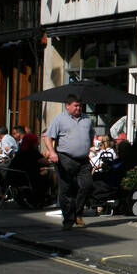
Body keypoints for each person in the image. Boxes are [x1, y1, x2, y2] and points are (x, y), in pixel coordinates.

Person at [41, 94, 95, 230]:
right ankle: (69, 220)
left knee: (87, 185)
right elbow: (47, 137)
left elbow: (91, 135)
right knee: (66, 189)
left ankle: (78, 213)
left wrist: (90, 146)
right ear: (67, 106)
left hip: (83, 159)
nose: (78, 108)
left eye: (80, 105)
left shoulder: (87, 119)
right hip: (65, 158)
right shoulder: (60, 119)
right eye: (76, 106)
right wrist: (52, 152)